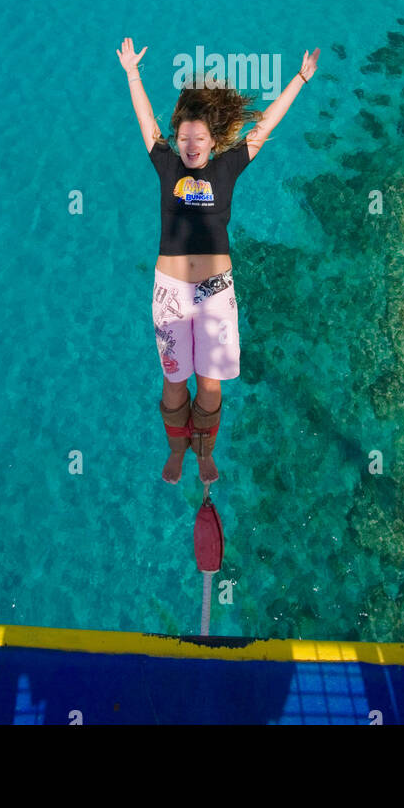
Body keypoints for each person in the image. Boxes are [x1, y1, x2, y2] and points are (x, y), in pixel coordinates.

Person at [117, 39, 320, 484]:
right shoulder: (167, 166)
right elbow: (147, 123)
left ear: (212, 142)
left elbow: (263, 127)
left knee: (210, 385)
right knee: (175, 383)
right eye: (185, 138)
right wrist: (133, 72)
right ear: (179, 139)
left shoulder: (226, 169)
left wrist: (300, 80)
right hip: (170, 293)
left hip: (214, 293)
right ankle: (176, 449)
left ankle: (204, 450)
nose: (191, 145)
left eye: (200, 139)